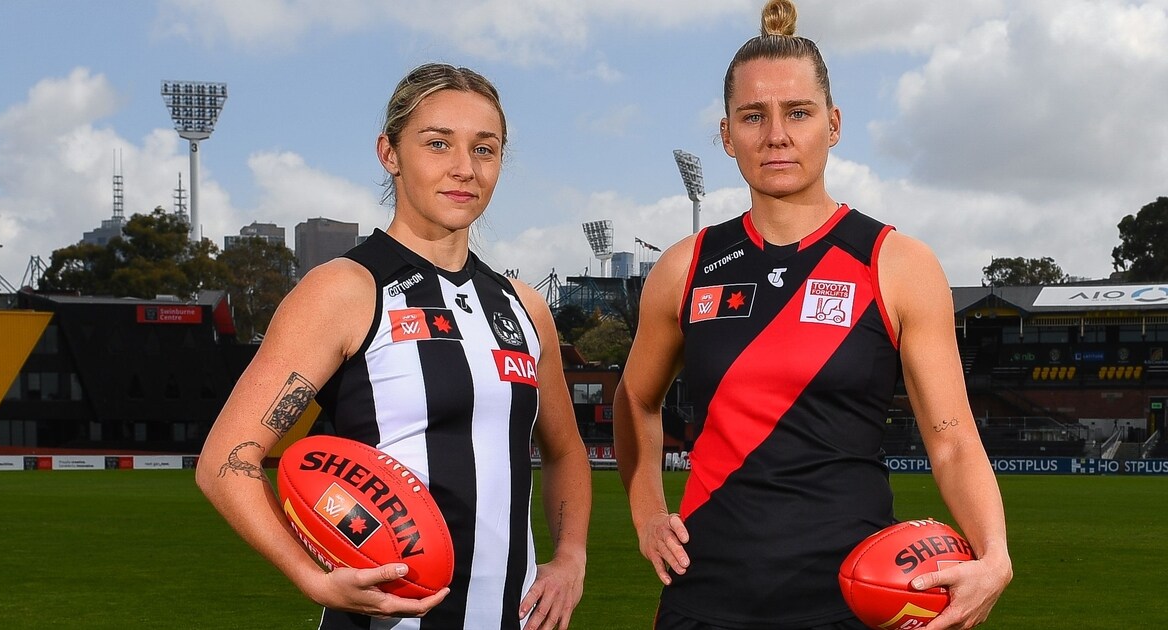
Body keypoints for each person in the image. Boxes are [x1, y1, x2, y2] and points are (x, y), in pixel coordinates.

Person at [612, 2, 1012, 629]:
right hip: (706, 598)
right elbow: (635, 400)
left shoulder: (896, 263)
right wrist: (645, 512)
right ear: (725, 134)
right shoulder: (684, 268)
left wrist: (994, 554)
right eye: (753, 116)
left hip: (852, 601)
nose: (776, 134)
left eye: (797, 112)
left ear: (834, 123)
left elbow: (952, 439)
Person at [196, 62, 591, 630]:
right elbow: (226, 462)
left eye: (485, 149)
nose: (464, 169)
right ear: (390, 153)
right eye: (437, 144)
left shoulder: (523, 307)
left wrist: (571, 557)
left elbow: (565, 450)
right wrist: (310, 576)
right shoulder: (345, 291)